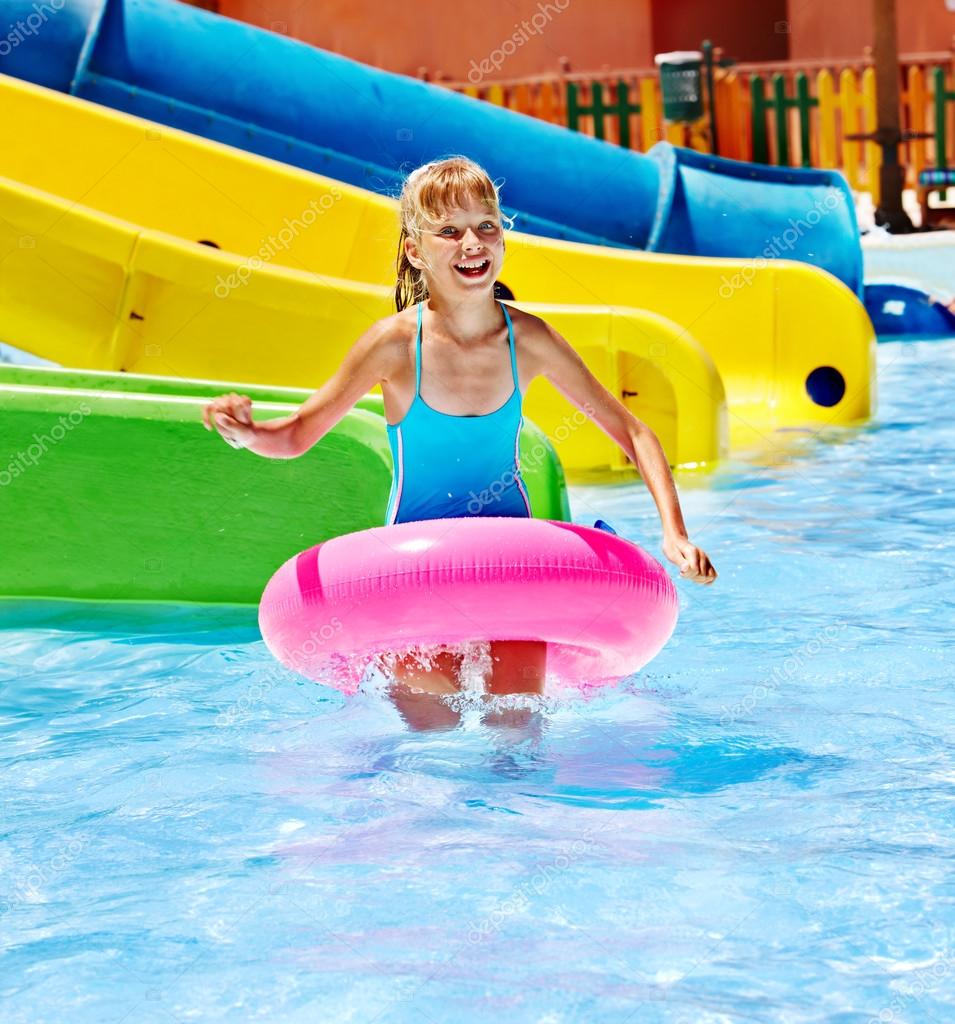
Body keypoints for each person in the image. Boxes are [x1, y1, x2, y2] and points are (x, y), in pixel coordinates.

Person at [202, 156, 716, 728]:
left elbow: (634, 432)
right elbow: (297, 436)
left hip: (511, 561)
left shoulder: (529, 339)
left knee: (515, 729)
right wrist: (248, 434)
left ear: (502, 238)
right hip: (413, 567)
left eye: (486, 226)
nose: (472, 243)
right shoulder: (394, 345)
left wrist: (674, 533)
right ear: (415, 251)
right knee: (433, 731)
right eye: (449, 231)